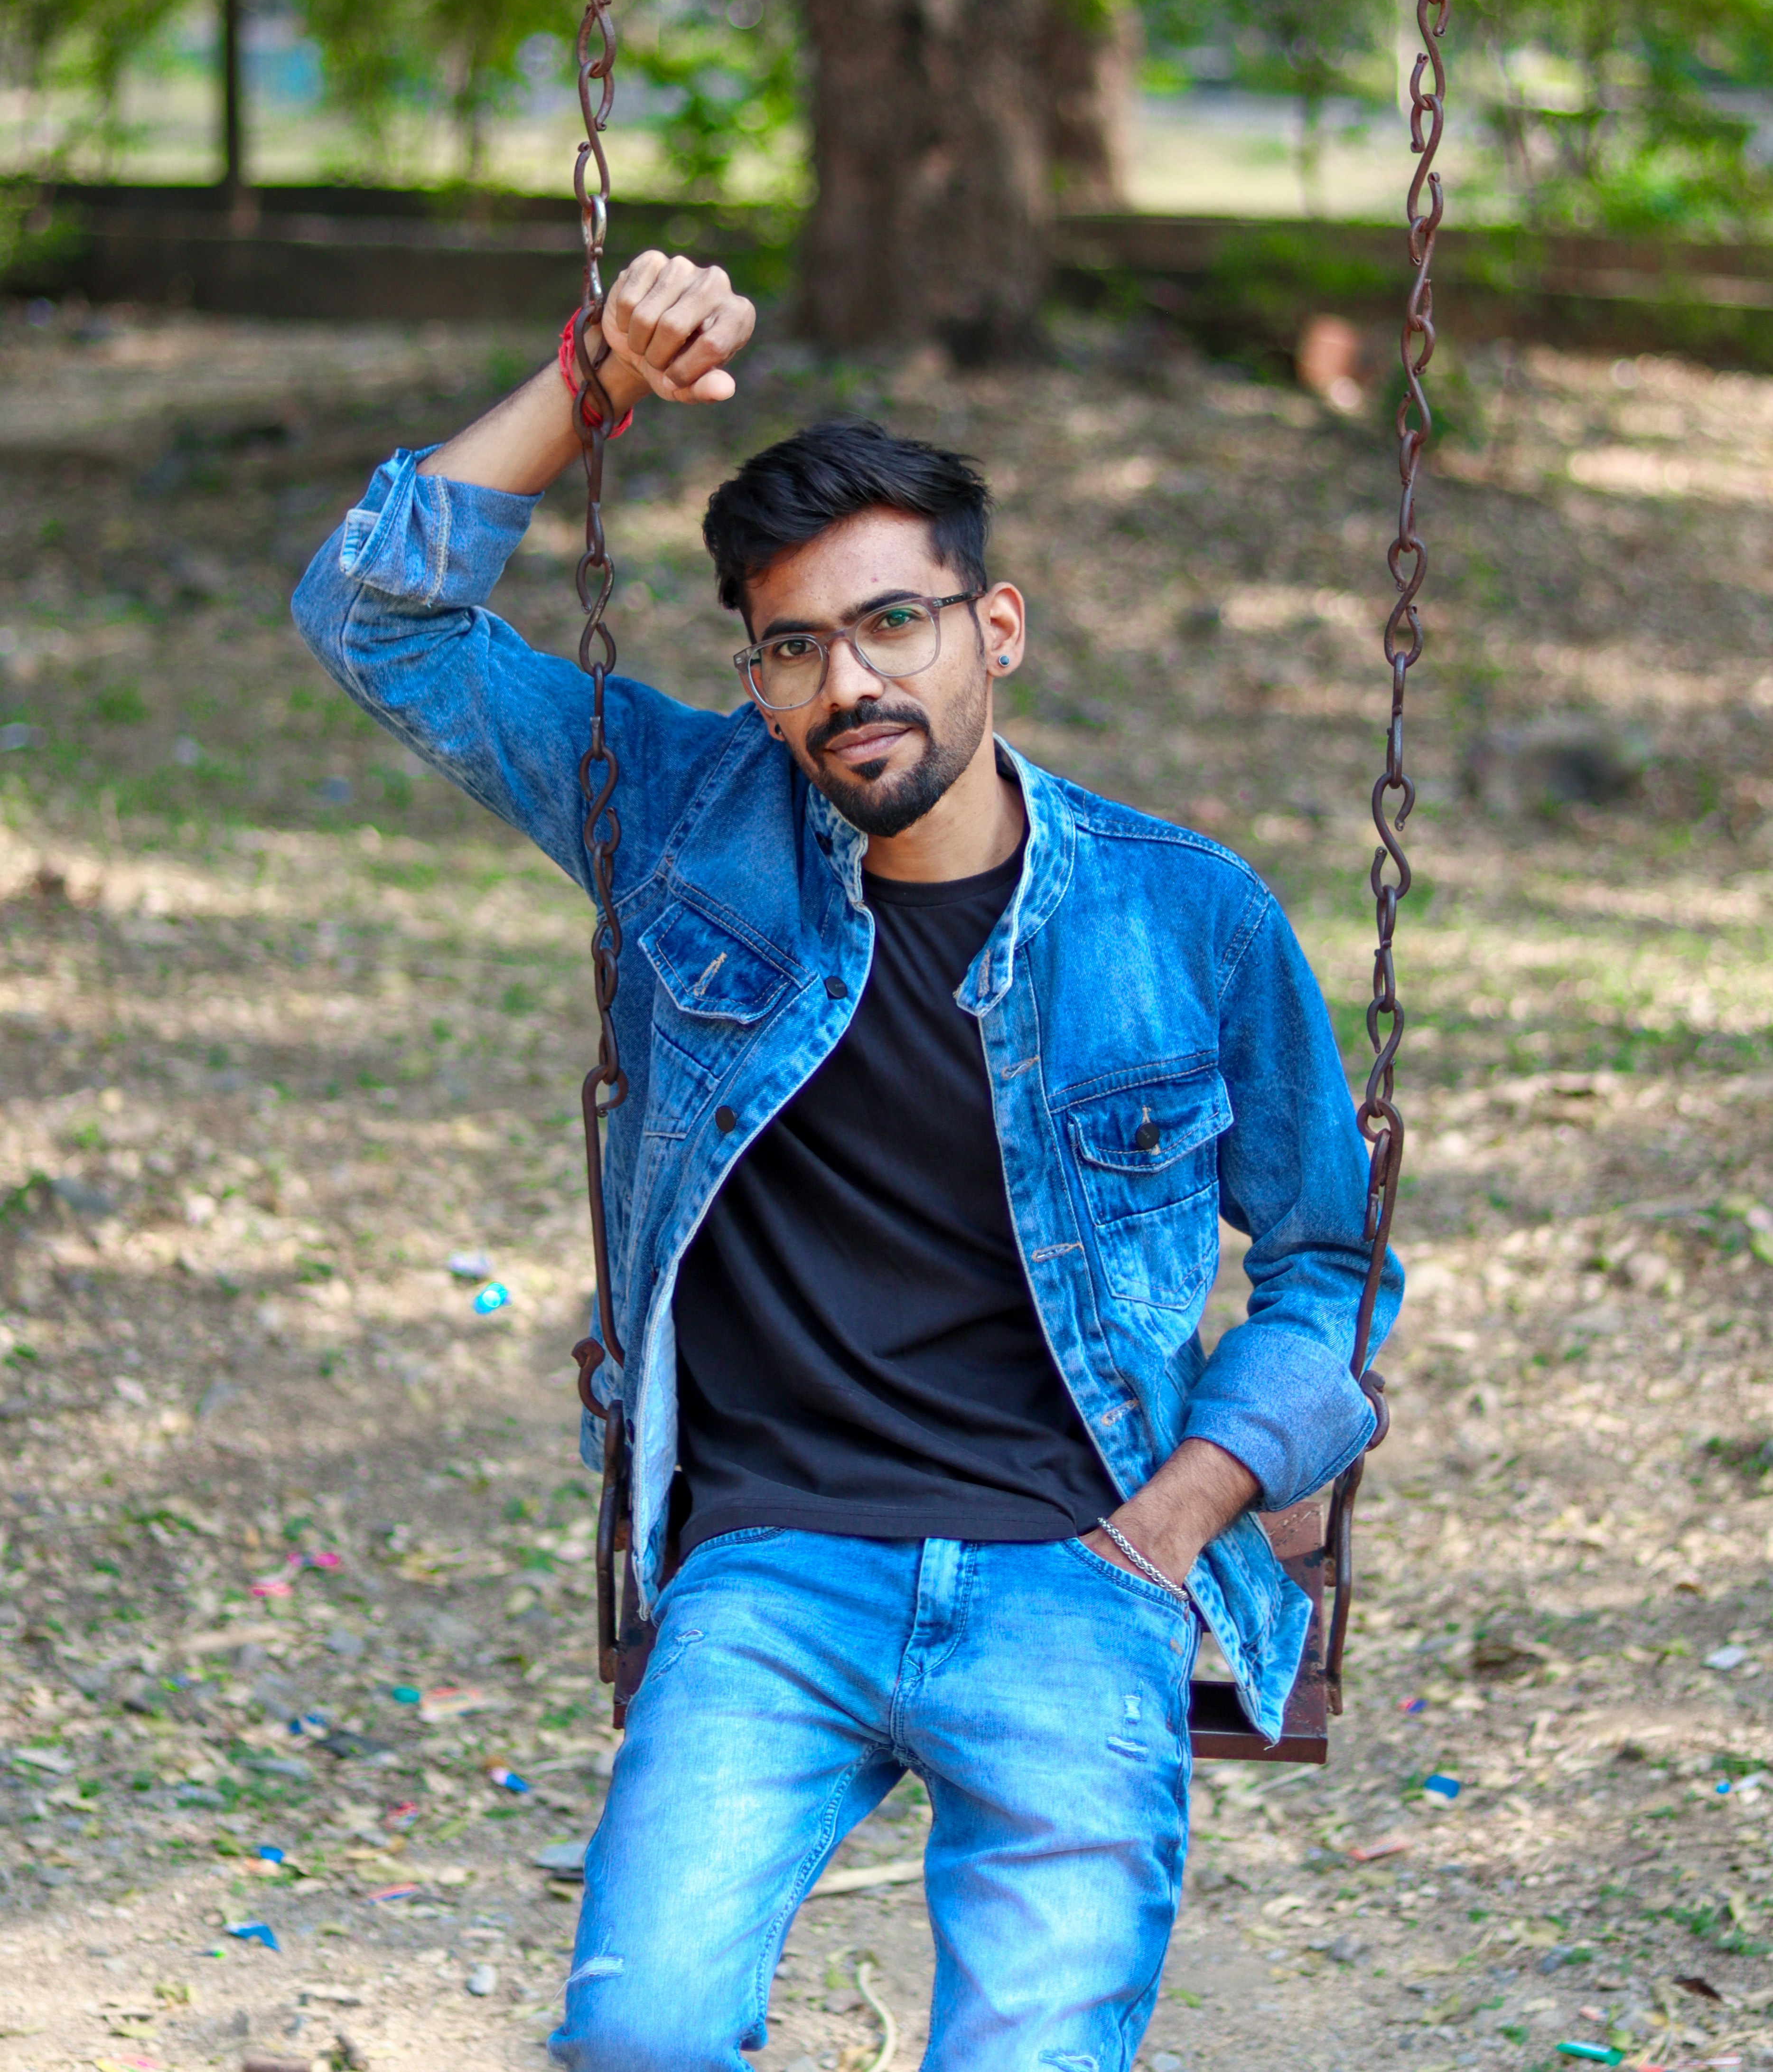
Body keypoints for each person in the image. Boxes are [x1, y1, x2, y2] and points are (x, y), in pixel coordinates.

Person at [292, 250, 1401, 2072]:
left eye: (896, 623)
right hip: (774, 1566)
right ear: (755, 675)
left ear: (1000, 628)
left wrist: (1190, 1511)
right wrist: (594, 379)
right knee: (641, 2039)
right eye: (796, 645)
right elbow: (374, 619)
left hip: (1079, 1566)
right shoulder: (677, 816)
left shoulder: (1180, 916)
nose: (850, 682)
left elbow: (1330, 1259)